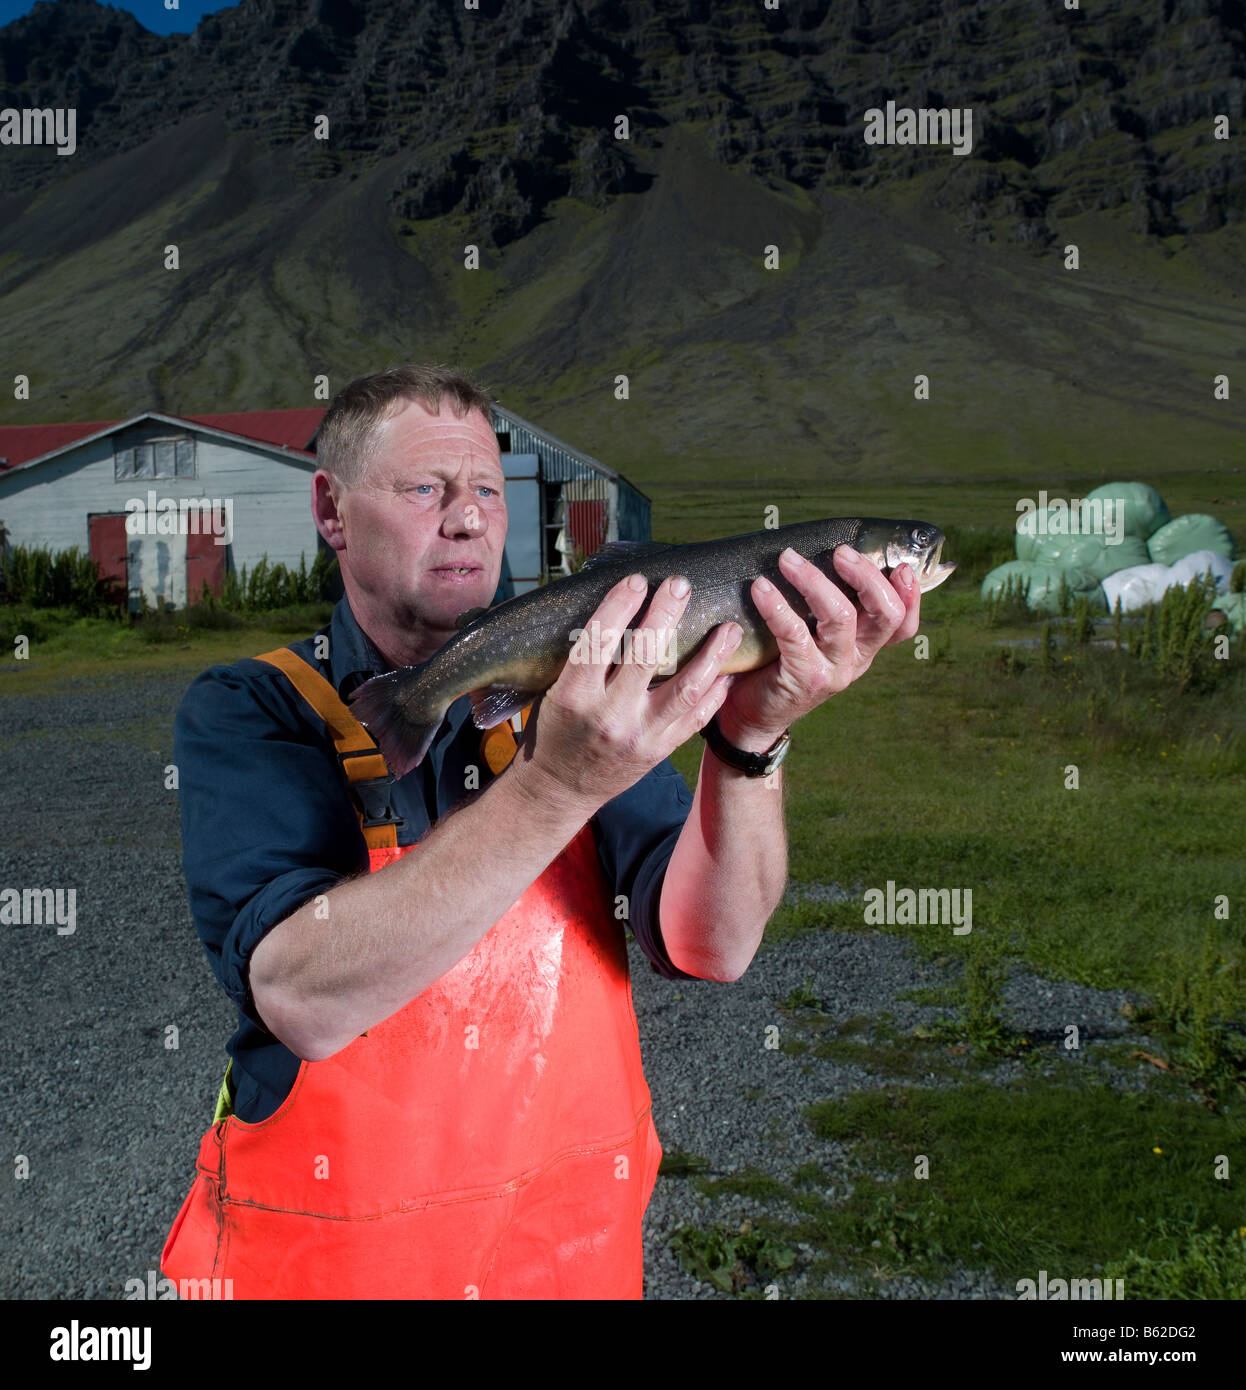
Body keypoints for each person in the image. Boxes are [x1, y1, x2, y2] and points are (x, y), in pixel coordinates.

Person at [161, 364, 922, 1300]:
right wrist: (559, 783)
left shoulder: (588, 697)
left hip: (567, 1266)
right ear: (332, 510)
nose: (469, 517)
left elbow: (713, 946)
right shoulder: (254, 711)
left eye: (486, 487)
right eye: (423, 488)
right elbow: (303, 999)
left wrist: (749, 741)